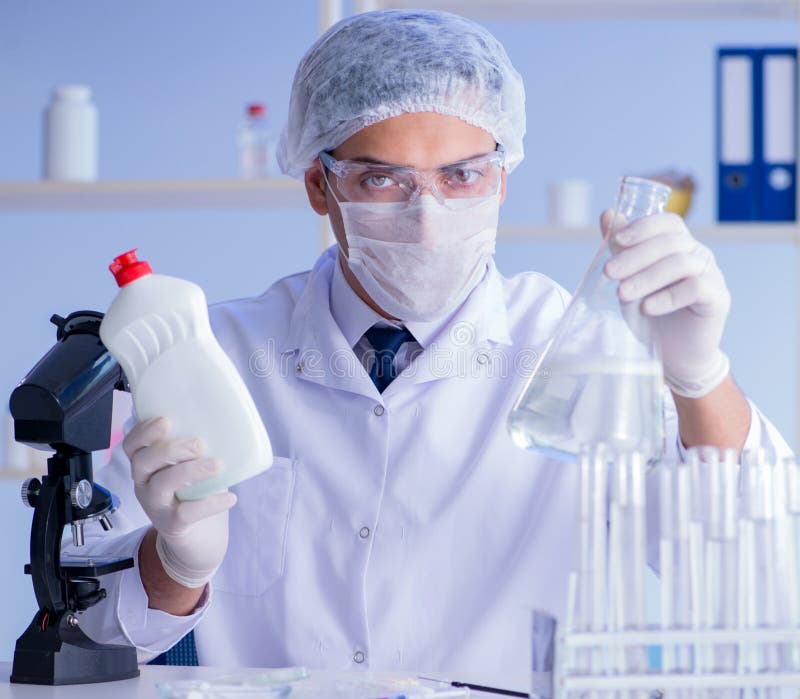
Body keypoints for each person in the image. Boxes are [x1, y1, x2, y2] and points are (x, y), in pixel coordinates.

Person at [74, 9, 790, 674]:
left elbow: (764, 576)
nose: (428, 214)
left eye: (462, 174)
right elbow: (89, 630)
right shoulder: (220, 351)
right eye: (383, 178)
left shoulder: (576, 350)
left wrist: (699, 374)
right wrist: (178, 565)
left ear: (503, 177)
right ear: (319, 186)